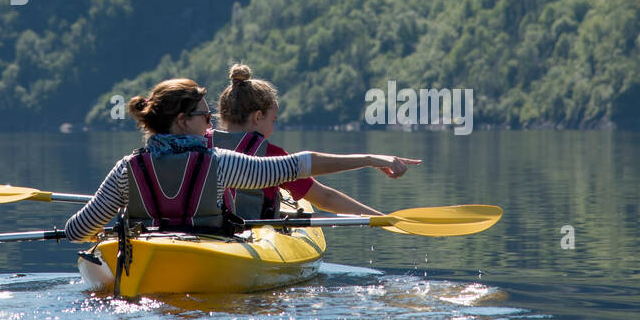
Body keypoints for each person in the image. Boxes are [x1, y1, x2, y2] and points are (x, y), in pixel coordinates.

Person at [64, 78, 419, 241]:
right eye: (205, 117)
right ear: (183, 121)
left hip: (147, 258)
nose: (209, 124)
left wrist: (108, 231)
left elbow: (78, 230)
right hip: (210, 255)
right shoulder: (219, 163)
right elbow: (297, 166)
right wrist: (372, 158)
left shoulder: (127, 168)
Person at [214, 64, 390, 218]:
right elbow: (326, 198)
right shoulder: (272, 155)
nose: (273, 129)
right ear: (258, 117)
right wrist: (382, 218)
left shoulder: (204, 144)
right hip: (250, 236)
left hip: (206, 231)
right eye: (273, 121)